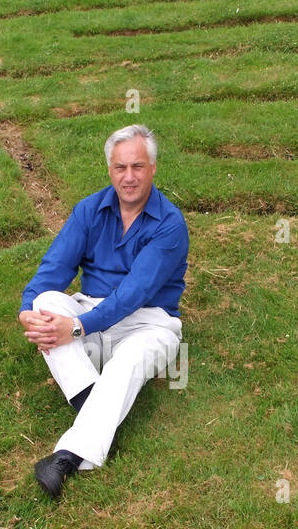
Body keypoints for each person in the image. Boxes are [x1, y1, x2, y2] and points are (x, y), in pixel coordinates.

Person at [18, 124, 189, 499]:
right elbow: (55, 268)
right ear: (110, 169)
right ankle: (94, 404)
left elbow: (134, 293)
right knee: (46, 303)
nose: (129, 177)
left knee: (129, 361)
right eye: (120, 168)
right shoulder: (89, 210)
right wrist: (27, 309)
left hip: (149, 322)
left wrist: (76, 328)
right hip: (91, 317)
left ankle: (66, 458)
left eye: (138, 167)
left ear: (153, 168)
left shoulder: (170, 224)